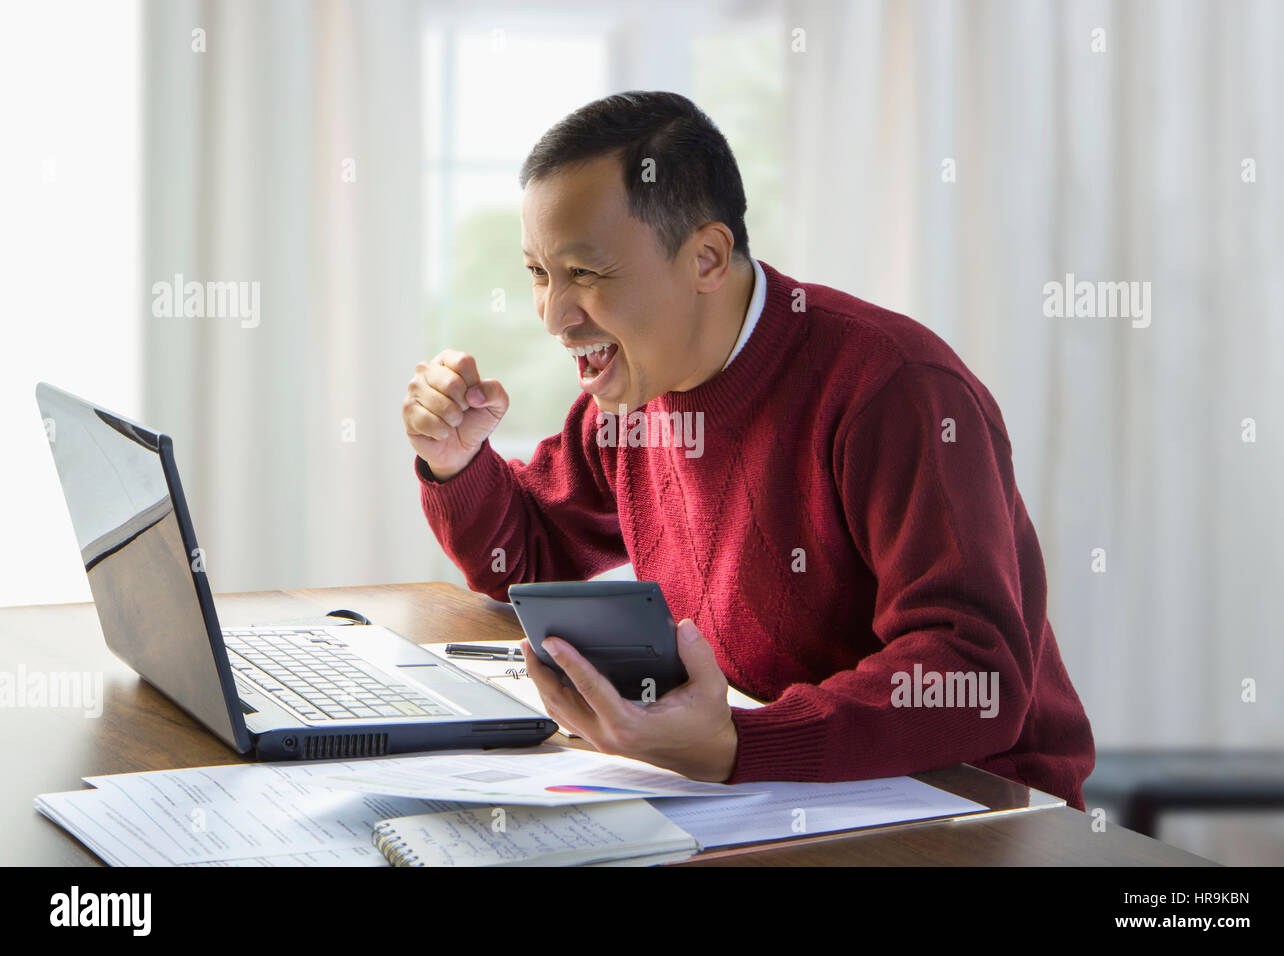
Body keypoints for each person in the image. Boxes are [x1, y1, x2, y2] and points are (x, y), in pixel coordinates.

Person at [401, 91, 1095, 810]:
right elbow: (531, 554)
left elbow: (972, 677)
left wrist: (739, 746)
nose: (553, 316)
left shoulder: (894, 388)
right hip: (783, 787)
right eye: (539, 274)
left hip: (976, 803)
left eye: (585, 273)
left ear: (706, 256)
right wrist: (457, 462)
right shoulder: (638, 396)